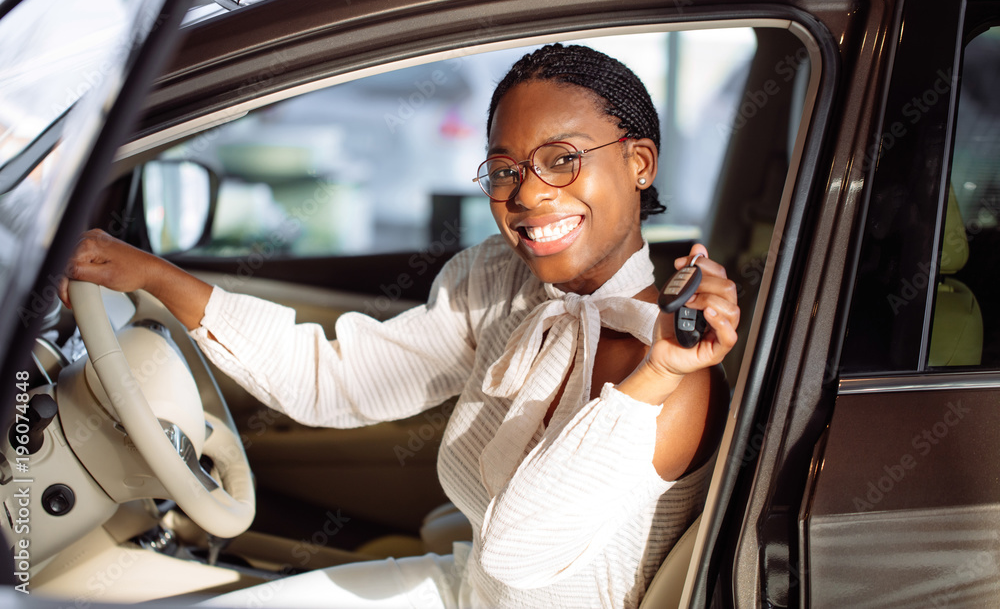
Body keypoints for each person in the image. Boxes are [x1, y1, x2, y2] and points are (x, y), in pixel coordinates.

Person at [60, 43, 740, 609]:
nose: (528, 193)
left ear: (639, 161)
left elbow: (520, 550)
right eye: (505, 169)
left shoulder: (674, 380)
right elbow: (335, 380)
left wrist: (656, 371)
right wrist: (151, 274)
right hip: (467, 588)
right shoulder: (503, 280)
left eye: (563, 158)